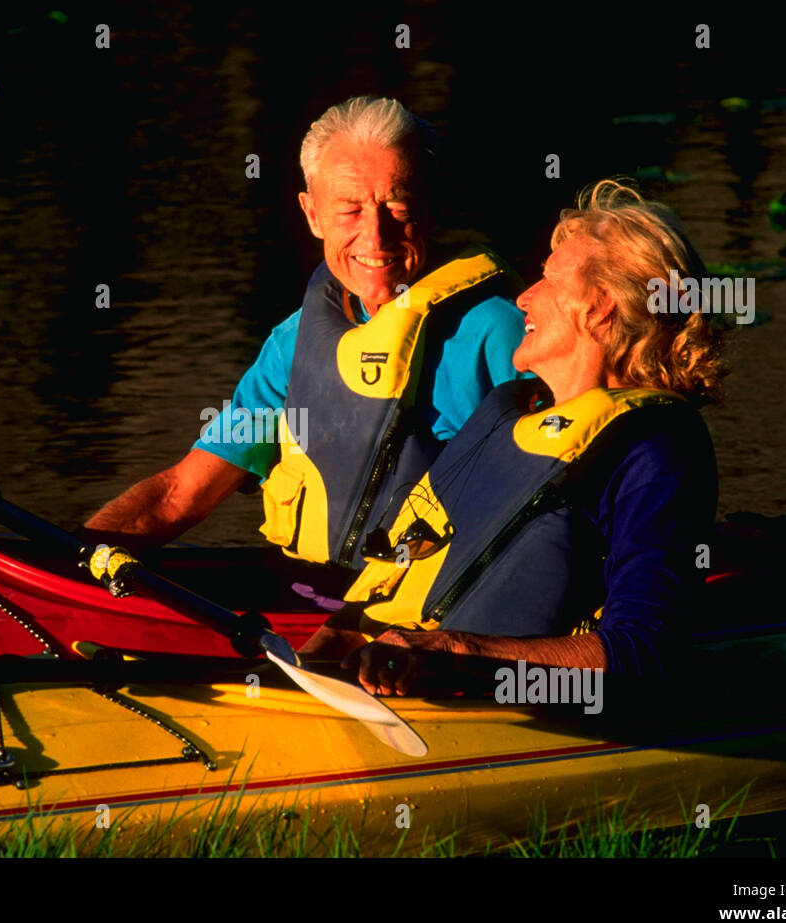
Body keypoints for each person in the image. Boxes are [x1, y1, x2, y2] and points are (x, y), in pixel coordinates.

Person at [304, 180, 725, 695]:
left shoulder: (653, 451)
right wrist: (309, 665)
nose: (523, 297)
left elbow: (645, 649)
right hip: (392, 683)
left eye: (547, 280)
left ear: (600, 306)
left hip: (495, 706)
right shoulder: (507, 413)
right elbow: (393, 574)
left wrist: (456, 652)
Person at [83, 96, 527, 570]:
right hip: (319, 598)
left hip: (442, 609)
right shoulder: (292, 348)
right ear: (312, 215)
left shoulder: (500, 331)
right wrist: (75, 557)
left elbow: (564, 491)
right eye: (349, 210)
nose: (376, 237)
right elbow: (179, 496)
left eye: (397, 206)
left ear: (431, 206)